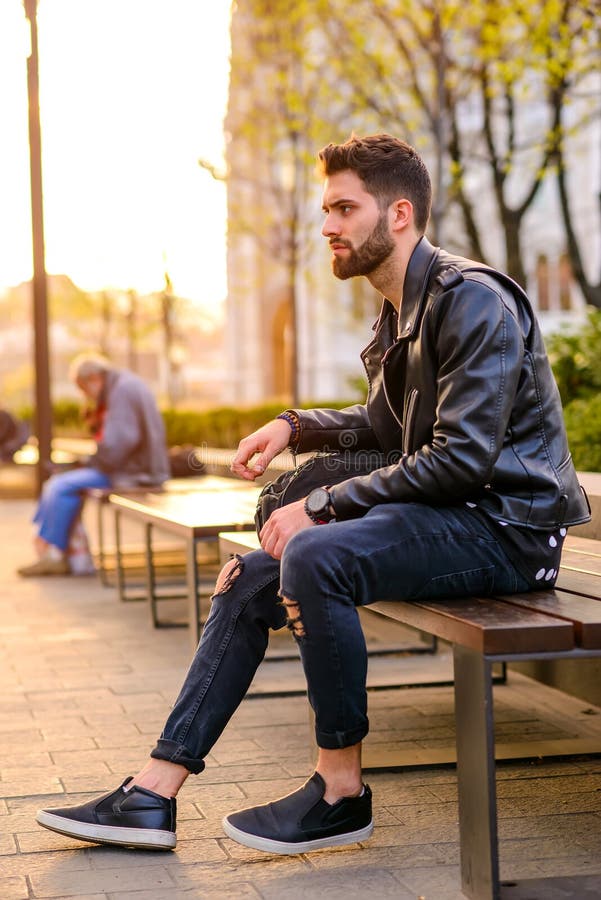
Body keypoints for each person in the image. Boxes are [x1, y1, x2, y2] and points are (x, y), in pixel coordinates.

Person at [35, 134, 589, 853]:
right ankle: (152, 792)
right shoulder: (400, 310)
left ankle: (339, 791)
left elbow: (459, 458)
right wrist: (294, 426)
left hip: (507, 529)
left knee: (315, 556)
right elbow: (385, 428)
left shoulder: (472, 301)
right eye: (325, 208)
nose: (325, 225)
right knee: (250, 575)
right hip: (450, 517)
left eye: (342, 208)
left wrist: (322, 506)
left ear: (397, 215)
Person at [18, 353, 170, 577]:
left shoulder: (121, 390)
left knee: (60, 487)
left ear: (94, 378)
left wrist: (89, 462)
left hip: (135, 473)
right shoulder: (122, 385)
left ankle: (54, 553)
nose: (84, 394)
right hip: (131, 467)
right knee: (58, 482)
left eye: (82, 388)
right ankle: (50, 547)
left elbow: (120, 443)